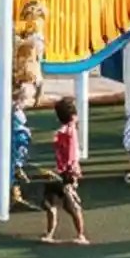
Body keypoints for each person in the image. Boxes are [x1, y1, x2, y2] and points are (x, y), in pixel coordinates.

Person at [41, 97, 88, 245]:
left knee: (68, 205)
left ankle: (79, 235)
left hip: (66, 173)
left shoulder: (65, 132)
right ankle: (53, 233)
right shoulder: (68, 131)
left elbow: (69, 154)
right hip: (66, 172)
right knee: (56, 203)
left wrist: (67, 169)